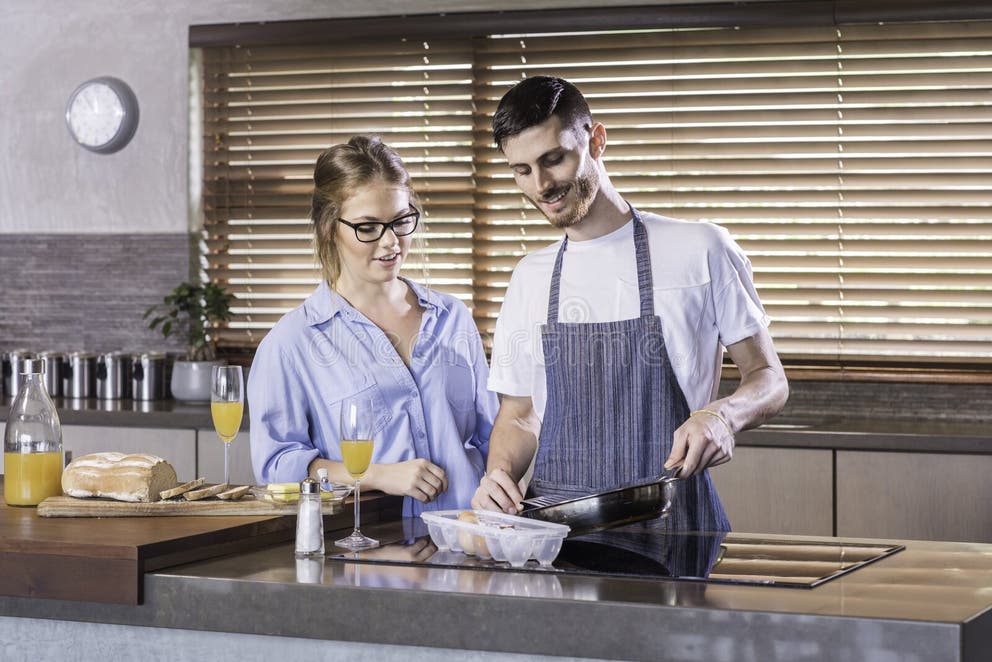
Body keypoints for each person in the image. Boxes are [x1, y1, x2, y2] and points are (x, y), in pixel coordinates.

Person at [471, 76, 789, 531]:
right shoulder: (529, 277)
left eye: (553, 159)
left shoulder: (701, 249)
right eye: (521, 170)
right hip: (558, 534)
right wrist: (498, 477)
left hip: (675, 526)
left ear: (596, 140)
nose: (541, 185)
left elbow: (769, 379)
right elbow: (520, 415)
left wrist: (723, 415)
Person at [249, 135, 498, 517]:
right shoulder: (291, 343)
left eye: (401, 221)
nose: (390, 242)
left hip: (468, 547)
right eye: (368, 227)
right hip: (374, 557)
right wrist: (375, 474)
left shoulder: (452, 317)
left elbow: (489, 436)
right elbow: (277, 468)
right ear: (329, 228)